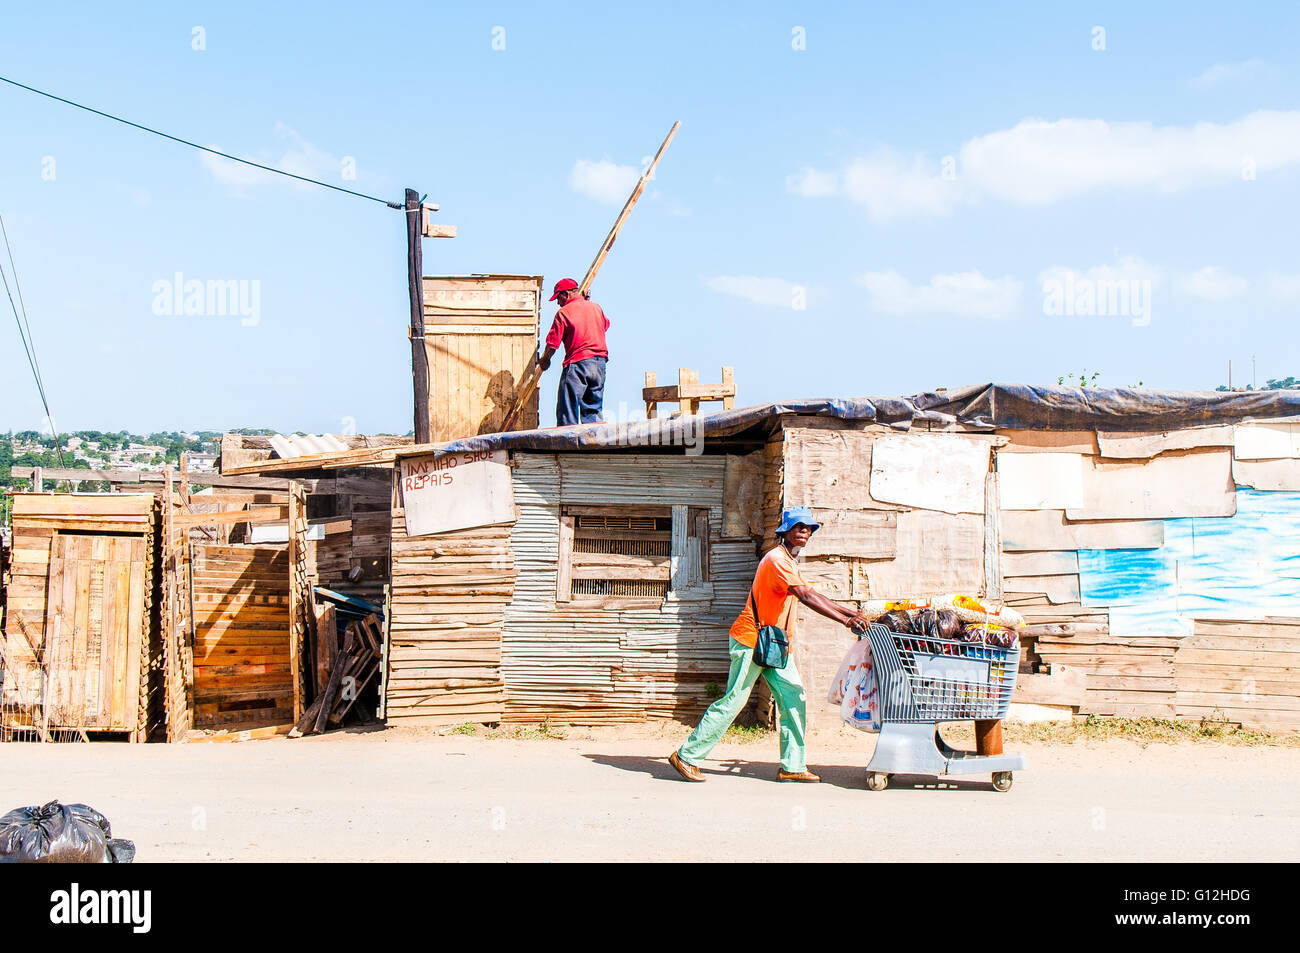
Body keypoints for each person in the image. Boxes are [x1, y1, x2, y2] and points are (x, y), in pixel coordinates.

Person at [669, 506, 871, 783]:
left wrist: (851, 614)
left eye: (809, 528)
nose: (805, 531)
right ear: (784, 531)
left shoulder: (789, 561)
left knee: (794, 698)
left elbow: (812, 594)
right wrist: (846, 622)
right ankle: (687, 756)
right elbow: (806, 597)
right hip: (753, 639)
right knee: (734, 700)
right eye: (799, 526)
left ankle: (793, 766)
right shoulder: (776, 559)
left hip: (774, 644)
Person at [538, 277, 609, 426]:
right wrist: (587, 303)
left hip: (578, 363)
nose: (558, 302)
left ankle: (566, 446)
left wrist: (545, 360)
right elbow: (605, 325)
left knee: (567, 409)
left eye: (558, 298)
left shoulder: (563, 313)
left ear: (566, 294)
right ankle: (592, 442)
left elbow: (552, 343)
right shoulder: (595, 307)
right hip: (599, 364)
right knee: (593, 410)